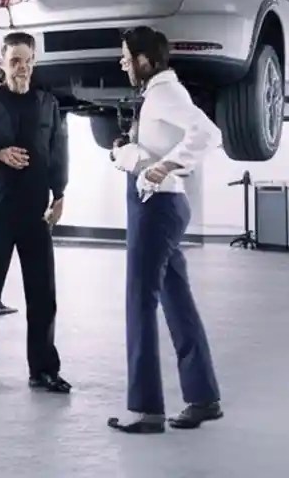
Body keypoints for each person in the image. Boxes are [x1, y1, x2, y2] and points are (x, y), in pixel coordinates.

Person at [106, 26, 224, 434]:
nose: (123, 63)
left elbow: (209, 133)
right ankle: (203, 398)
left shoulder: (164, 93)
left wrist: (168, 164)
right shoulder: (158, 93)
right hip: (162, 206)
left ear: (145, 60)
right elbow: (155, 148)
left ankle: (146, 410)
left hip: (156, 209)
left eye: (127, 57)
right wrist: (129, 153)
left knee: (139, 302)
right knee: (177, 303)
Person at [0, 31, 70, 393]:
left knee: (43, 292)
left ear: (34, 62)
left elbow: (58, 151)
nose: (22, 67)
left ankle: (44, 370)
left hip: (36, 210)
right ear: (2, 64)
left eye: (27, 60)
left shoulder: (47, 104)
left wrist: (59, 194)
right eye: (15, 61)